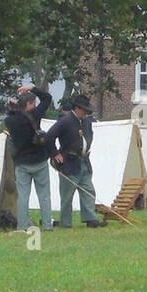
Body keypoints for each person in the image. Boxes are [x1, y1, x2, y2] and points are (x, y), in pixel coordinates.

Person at [47, 93, 105, 228]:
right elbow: (49, 136)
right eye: (84, 109)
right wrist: (55, 153)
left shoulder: (85, 121)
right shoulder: (65, 121)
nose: (86, 112)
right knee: (67, 196)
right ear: (77, 108)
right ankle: (66, 223)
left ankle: (91, 219)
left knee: (88, 190)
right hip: (69, 162)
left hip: (84, 161)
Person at [3, 85, 54, 232]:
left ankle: (22, 226)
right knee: (44, 195)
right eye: (33, 103)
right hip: (39, 159)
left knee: (23, 196)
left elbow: (10, 115)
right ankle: (47, 225)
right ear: (29, 104)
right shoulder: (35, 114)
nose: (35, 105)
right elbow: (47, 98)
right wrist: (33, 88)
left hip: (22, 161)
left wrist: (13, 106)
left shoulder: (10, 121)